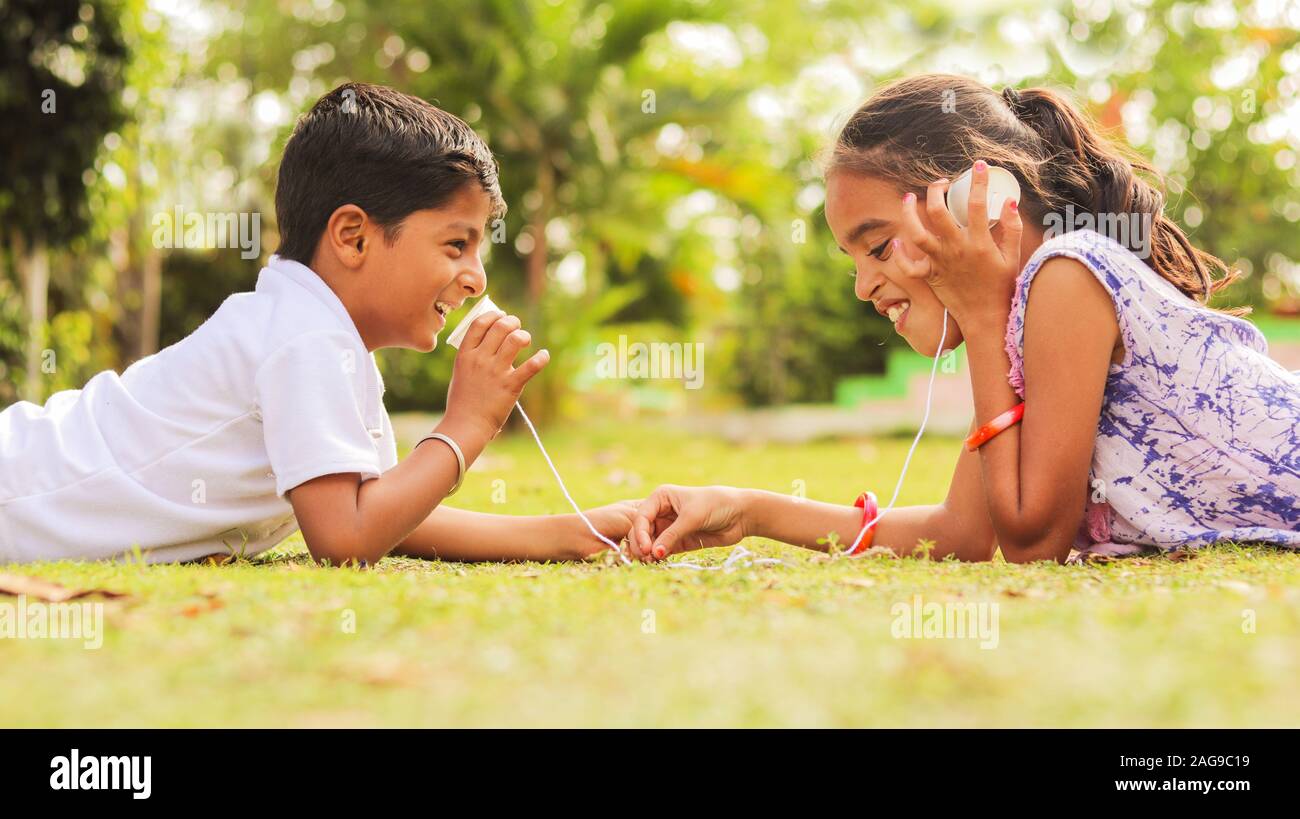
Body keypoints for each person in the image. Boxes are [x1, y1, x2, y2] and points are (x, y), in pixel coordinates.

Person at [630, 74, 1300, 564]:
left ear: (977, 200)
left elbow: (1030, 540)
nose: (865, 286)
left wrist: (980, 317)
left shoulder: (1069, 276)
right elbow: (963, 531)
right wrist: (748, 510)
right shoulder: (1032, 318)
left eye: (878, 245)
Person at [0, 82, 634, 566]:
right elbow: (347, 538)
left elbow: (389, 513)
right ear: (353, 236)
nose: (476, 278)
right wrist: (467, 425)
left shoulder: (321, 337)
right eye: (455, 245)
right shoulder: (306, 338)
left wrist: (582, 532)